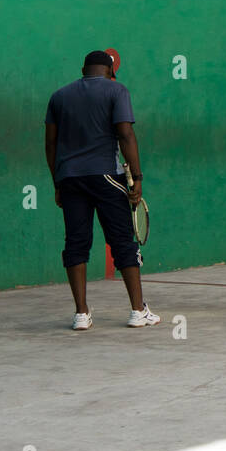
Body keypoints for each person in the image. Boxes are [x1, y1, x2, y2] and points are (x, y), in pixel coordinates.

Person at [44, 50, 158, 331]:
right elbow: (126, 134)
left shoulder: (59, 96)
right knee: (122, 242)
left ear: (83, 69)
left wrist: (58, 182)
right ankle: (136, 310)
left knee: (76, 243)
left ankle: (81, 314)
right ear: (110, 71)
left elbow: (50, 144)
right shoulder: (117, 90)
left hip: (70, 179)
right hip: (107, 176)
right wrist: (137, 177)